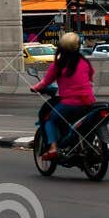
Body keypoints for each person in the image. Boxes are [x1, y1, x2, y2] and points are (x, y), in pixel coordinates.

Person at [30, 31, 95, 161]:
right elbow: (90, 77)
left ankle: (53, 148)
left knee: (50, 120)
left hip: (70, 103)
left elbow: (45, 82)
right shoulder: (85, 62)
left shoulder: (58, 64)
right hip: (89, 102)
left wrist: (34, 88)